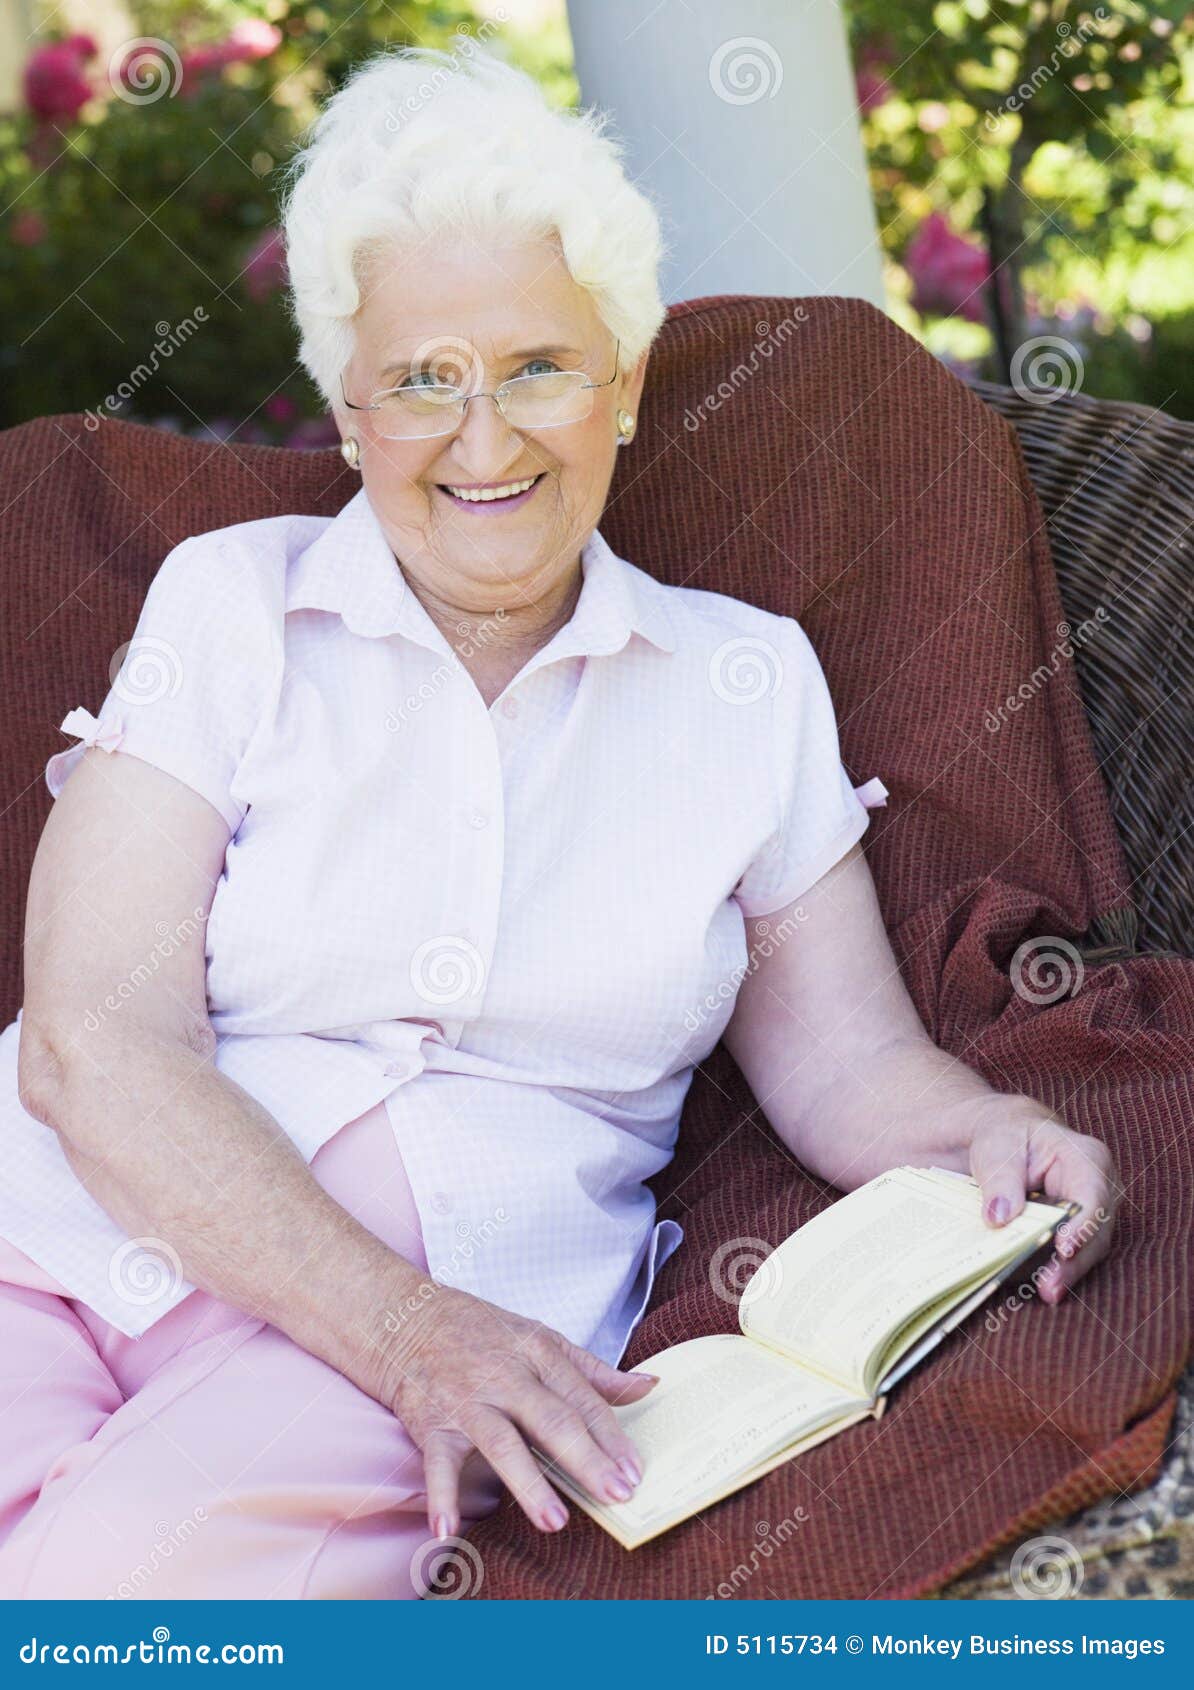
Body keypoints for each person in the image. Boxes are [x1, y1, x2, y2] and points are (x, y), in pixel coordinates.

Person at [0, 41, 1117, 1600]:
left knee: (113, 1596)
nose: (484, 439)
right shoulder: (231, 607)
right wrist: (406, 1335)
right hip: (50, 1242)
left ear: (626, 378)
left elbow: (849, 1059)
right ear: (347, 403)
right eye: (421, 380)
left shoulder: (743, 681)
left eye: (536, 366)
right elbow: (91, 1040)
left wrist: (983, 1134)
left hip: (448, 1318)